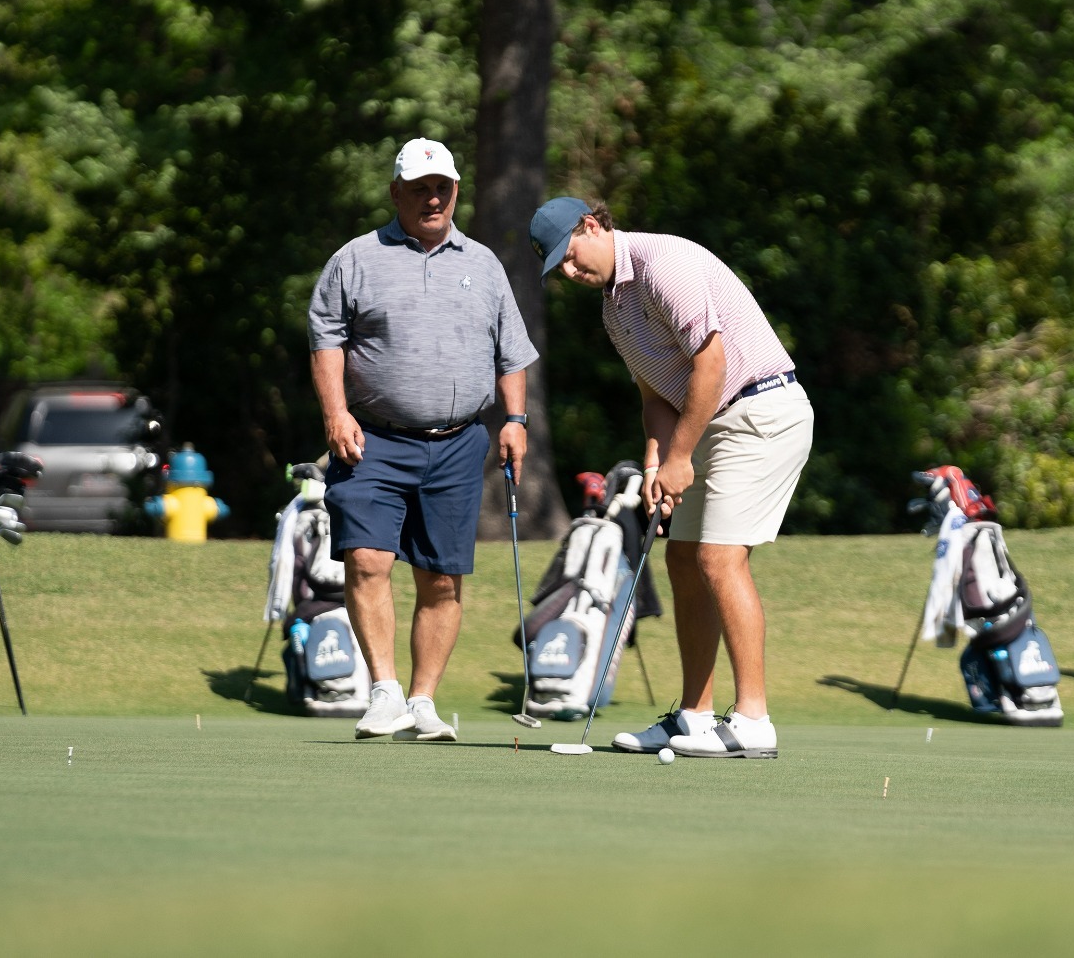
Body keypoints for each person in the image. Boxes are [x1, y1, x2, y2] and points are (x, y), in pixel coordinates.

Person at [528, 197, 813, 758]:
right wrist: (657, 462)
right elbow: (655, 394)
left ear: (592, 225)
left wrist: (680, 456)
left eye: (571, 255)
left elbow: (712, 363)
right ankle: (695, 717)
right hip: (707, 423)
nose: (570, 271)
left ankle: (754, 720)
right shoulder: (614, 308)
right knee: (682, 559)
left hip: (760, 411)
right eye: (559, 267)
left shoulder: (664, 265)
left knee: (718, 558)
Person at [308, 138, 537, 740]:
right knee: (367, 560)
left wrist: (515, 421)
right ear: (396, 193)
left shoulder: (483, 264)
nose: (433, 199)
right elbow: (325, 340)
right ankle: (384, 692)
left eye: (443, 188)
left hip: (458, 443)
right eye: (420, 189)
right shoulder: (355, 259)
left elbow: (511, 353)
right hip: (373, 439)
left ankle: (423, 700)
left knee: (441, 577)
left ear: (456, 191)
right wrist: (335, 414)